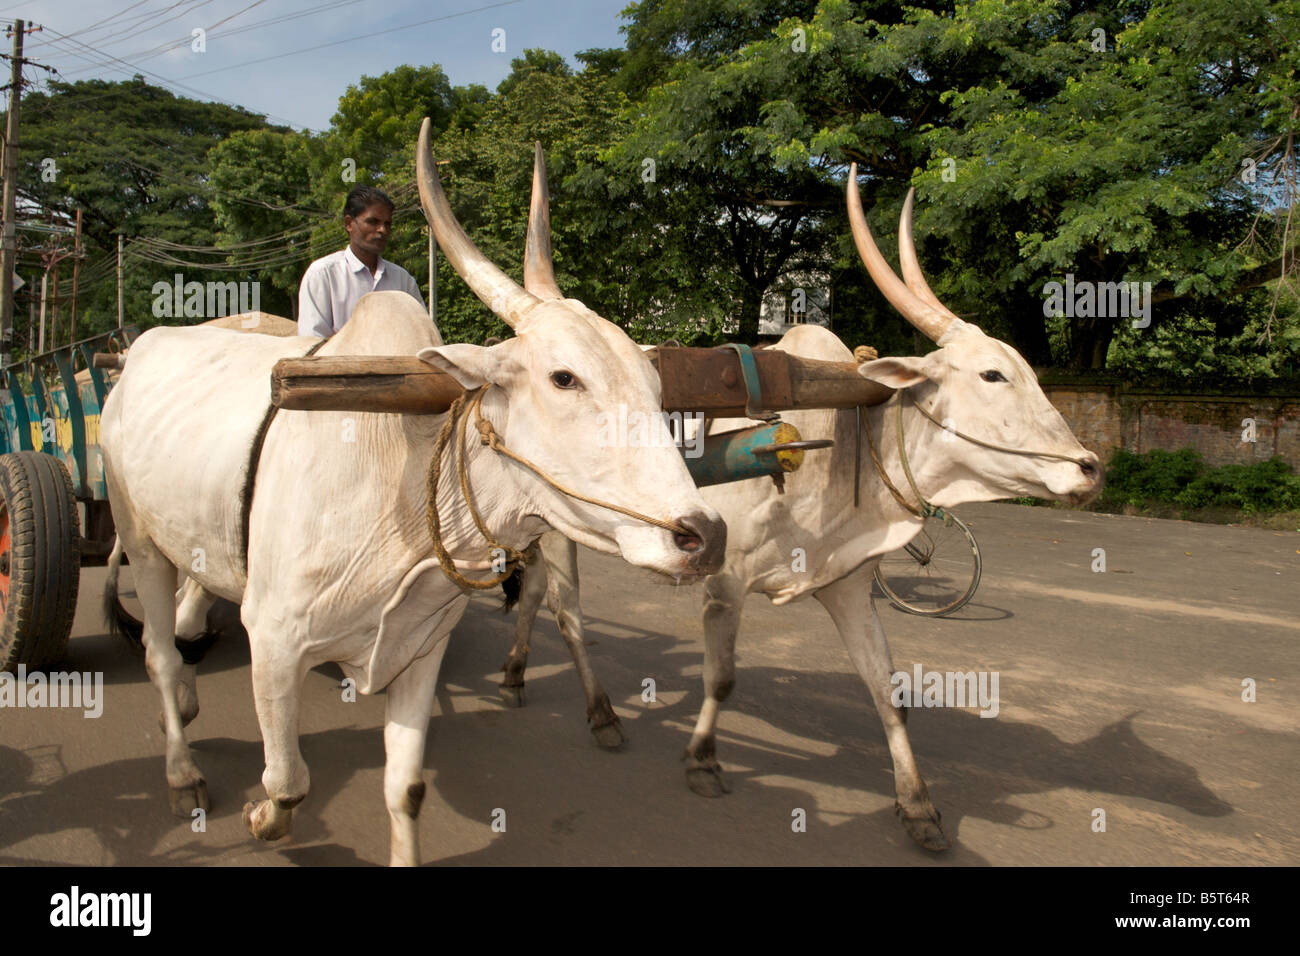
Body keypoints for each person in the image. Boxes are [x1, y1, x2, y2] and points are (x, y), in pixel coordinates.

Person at [297, 186, 426, 337]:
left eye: (387, 224)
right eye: (373, 222)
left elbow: (421, 335)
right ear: (349, 223)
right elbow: (312, 342)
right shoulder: (323, 275)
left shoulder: (403, 281)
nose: (382, 230)